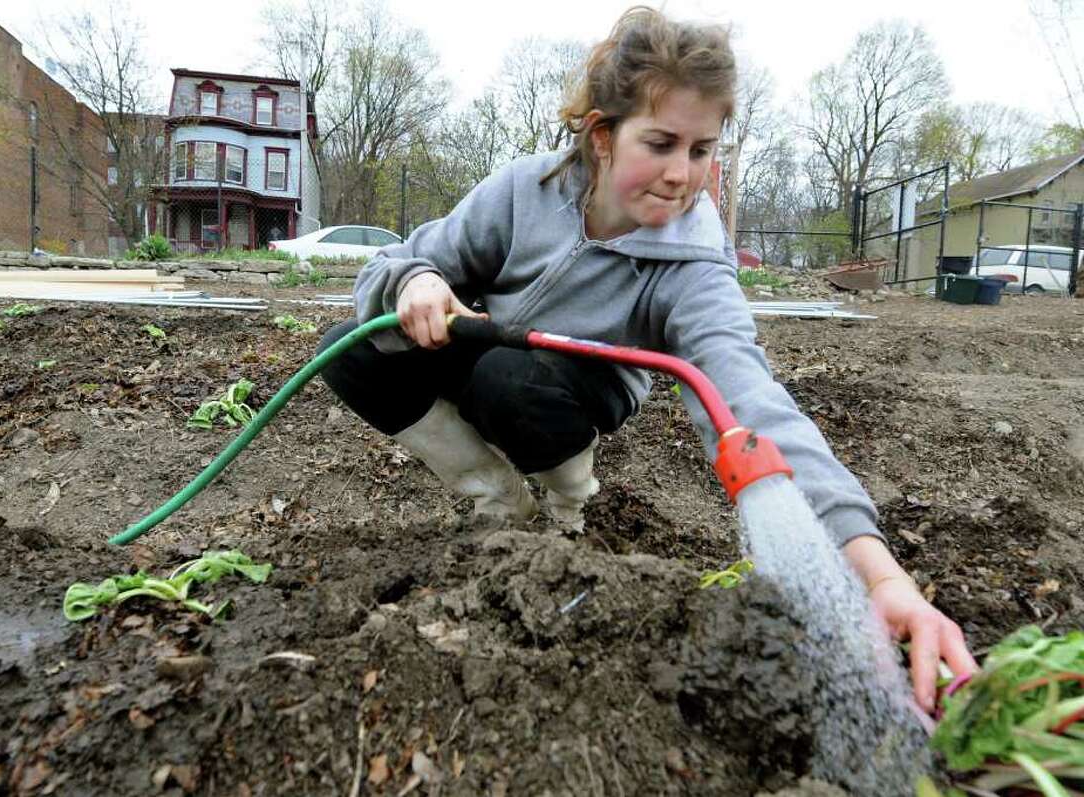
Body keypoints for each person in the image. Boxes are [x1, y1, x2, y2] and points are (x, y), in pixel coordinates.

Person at [317, 6, 976, 712]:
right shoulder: (522, 192)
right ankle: (495, 496)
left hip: (578, 382)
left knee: (507, 383)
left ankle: (569, 505)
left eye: (701, 150)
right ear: (602, 136)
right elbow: (395, 264)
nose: (681, 174)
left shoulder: (692, 263)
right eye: (660, 142)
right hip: (485, 340)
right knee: (349, 349)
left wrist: (878, 576)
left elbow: (750, 400)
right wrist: (415, 282)